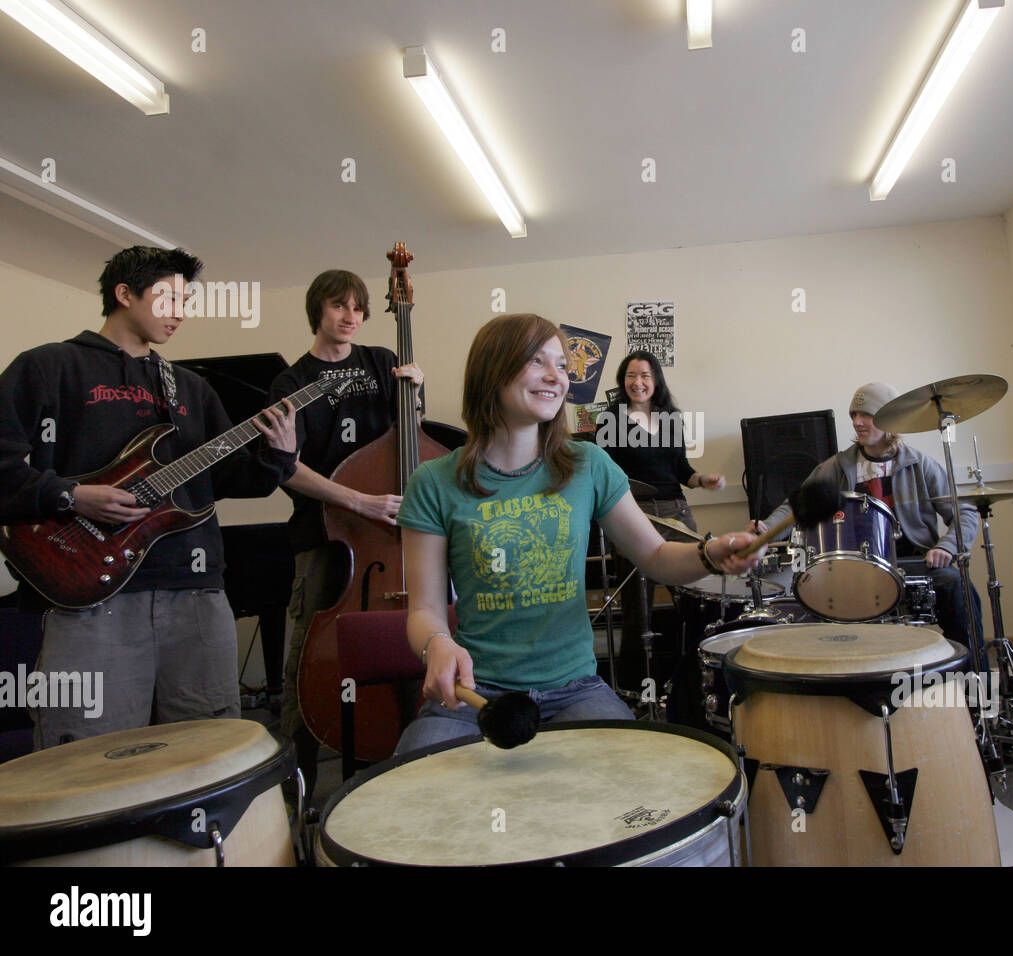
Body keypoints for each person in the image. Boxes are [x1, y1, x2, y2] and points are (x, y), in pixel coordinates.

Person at [394, 313, 763, 752]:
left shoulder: (588, 464)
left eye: (562, 367)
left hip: (574, 689)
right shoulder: (433, 482)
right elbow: (425, 610)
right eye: (537, 362)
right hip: (477, 692)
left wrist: (710, 553)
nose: (557, 377)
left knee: (640, 789)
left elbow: (657, 557)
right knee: (413, 784)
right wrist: (436, 643)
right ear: (492, 370)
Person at [0, 245, 298, 748]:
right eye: (168, 298)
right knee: (89, 759)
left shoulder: (189, 388)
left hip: (196, 590)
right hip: (88, 594)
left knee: (211, 747)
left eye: (187, 300)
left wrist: (280, 455)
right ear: (124, 293)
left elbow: (231, 480)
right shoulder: (48, 368)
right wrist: (71, 496)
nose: (180, 312)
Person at [267, 269, 424, 800]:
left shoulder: (381, 362)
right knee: (306, 656)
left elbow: (410, 439)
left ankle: (421, 749)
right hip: (329, 538)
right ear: (318, 310)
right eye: (340, 306)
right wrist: (358, 500)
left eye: (358, 308)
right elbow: (285, 467)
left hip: (394, 541)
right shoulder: (292, 384)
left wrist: (415, 397)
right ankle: (298, 785)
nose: (351, 317)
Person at [752, 382, 983, 646]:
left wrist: (947, 547)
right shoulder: (837, 466)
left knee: (956, 584)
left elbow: (963, 513)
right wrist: (766, 527)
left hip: (913, 562)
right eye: (853, 416)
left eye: (867, 415)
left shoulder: (920, 464)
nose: (857, 422)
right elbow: (794, 506)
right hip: (854, 567)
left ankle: (974, 673)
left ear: (890, 418)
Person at [595, 350, 726, 685]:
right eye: (631, 376)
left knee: (695, 605)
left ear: (656, 381)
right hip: (634, 516)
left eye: (645, 376)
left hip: (678, 513)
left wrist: (702, 480)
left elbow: (682, 470)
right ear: (622, 381)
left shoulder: (671, 419)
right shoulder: (610, 421)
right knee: (638, 613)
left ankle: (697, 682)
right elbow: (605, 477)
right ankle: (636, 689)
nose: (637, 383)